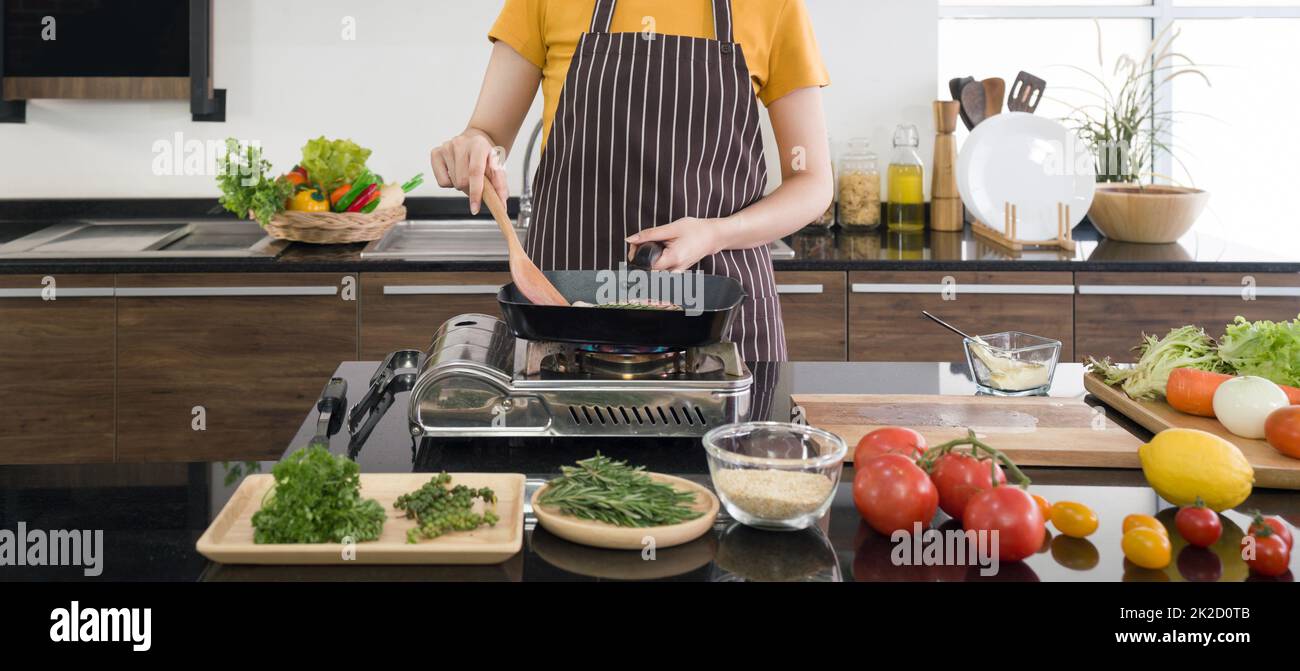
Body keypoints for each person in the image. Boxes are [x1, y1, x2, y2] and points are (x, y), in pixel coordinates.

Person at [431, 0, 831, 361]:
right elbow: (488, 134)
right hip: (569, 311)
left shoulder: (774, 6)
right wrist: (473, 146)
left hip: (714, 308)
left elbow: (812, 181)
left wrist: (717, 233)